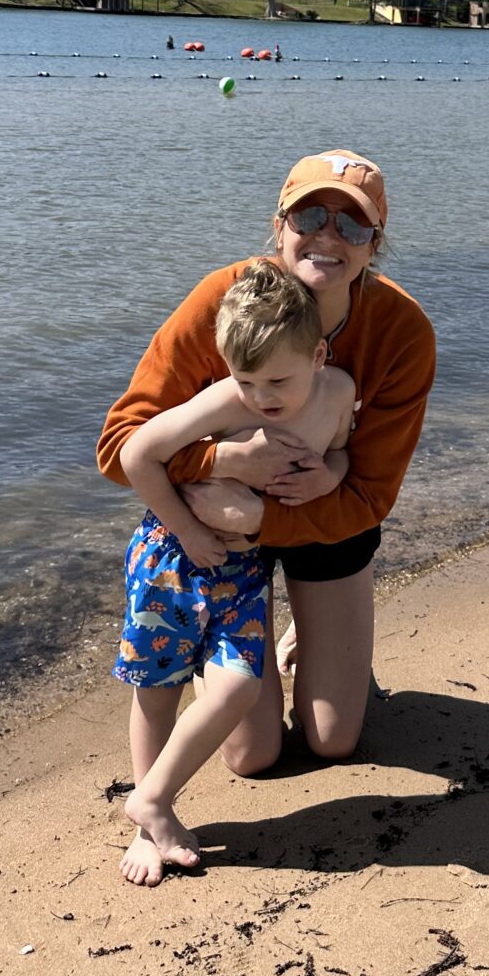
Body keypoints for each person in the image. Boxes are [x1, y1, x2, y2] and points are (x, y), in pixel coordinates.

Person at [97, 150, 435, 802]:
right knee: (251, 757)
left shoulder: (401, 331)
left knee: (335, 739)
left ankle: (324, 648)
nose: (328, 235)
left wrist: (276, 511)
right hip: (220, 538)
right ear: (278, 225)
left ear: (374, 245)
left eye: (352, 226)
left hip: (327, 520)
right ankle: (249, 650)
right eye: (310, 214)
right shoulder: (222, 304)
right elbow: (119, 447)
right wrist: (223, 460)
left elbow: (371, 495)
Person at [113, 260, 356, 884]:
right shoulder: (226, 401)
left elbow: (341, 452)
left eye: (277, 380)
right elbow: (136, 453)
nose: (261, 398)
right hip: (174, 561)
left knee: (237, 688)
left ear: (319, 354)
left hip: (244, 571)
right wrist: (191, 529)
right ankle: (152, 821)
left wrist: (330, 474)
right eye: (246, 380)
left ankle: (150, 797)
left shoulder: (338, 393)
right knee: (158, 688)